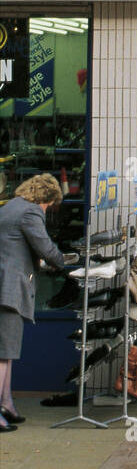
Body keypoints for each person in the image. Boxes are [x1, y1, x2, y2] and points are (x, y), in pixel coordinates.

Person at [0, 174, 67, 431]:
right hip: (9, 289)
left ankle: (7, 403)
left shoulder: (12, 205)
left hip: (5, 284)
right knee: (4, 354)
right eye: (49, 205)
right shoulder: (30, 212)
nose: (48, 209)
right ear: (44, 198)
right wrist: (64, 262)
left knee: (7, 351)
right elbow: (45, 246)